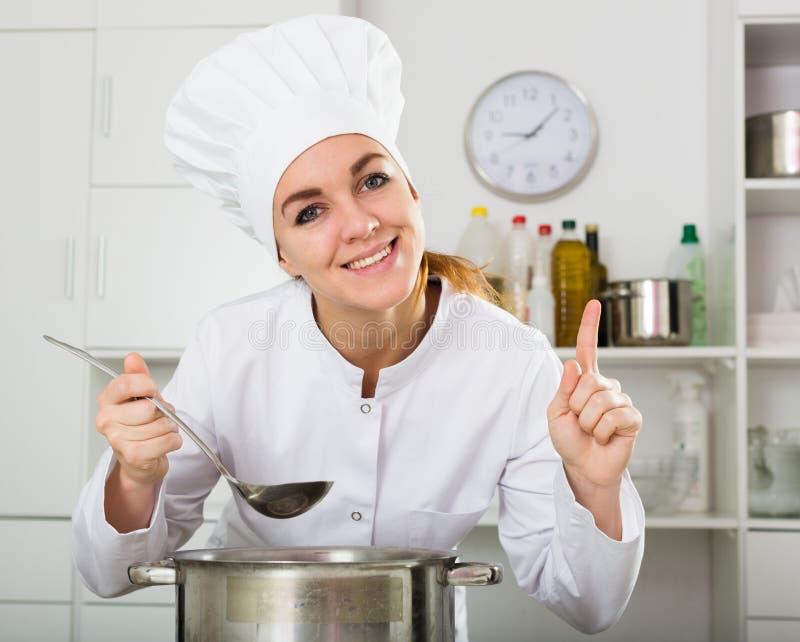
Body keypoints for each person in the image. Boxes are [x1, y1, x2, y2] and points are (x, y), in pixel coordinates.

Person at [72, 14, 645, 641]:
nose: (361, 224)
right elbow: (110, 574)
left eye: (373, 180)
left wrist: (595, 485)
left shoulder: (511, 361)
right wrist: (136, 475)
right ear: (283, 254)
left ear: (413, 191)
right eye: (311, 211)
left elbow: (589, 608)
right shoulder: (231, 345)